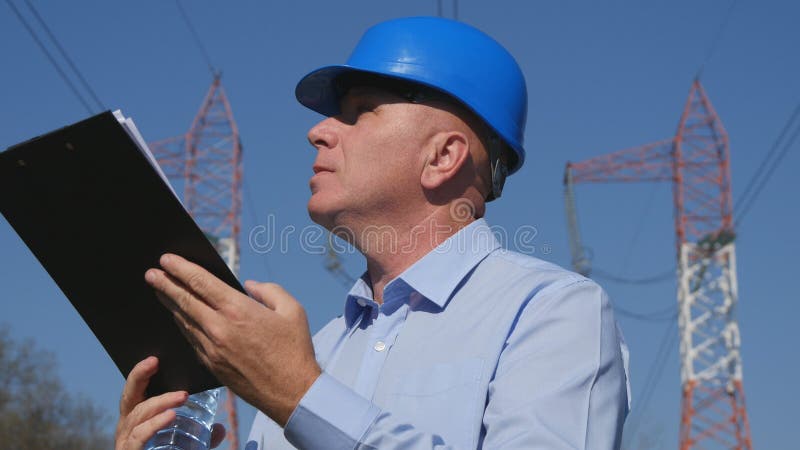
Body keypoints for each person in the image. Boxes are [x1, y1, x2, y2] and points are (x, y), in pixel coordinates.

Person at [114, 16, 630, 450]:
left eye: (360, 112)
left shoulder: (555, 312)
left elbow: (300, 395)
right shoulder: (310, 352)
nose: (318, 131)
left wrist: (299, 396)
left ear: (443, 156)